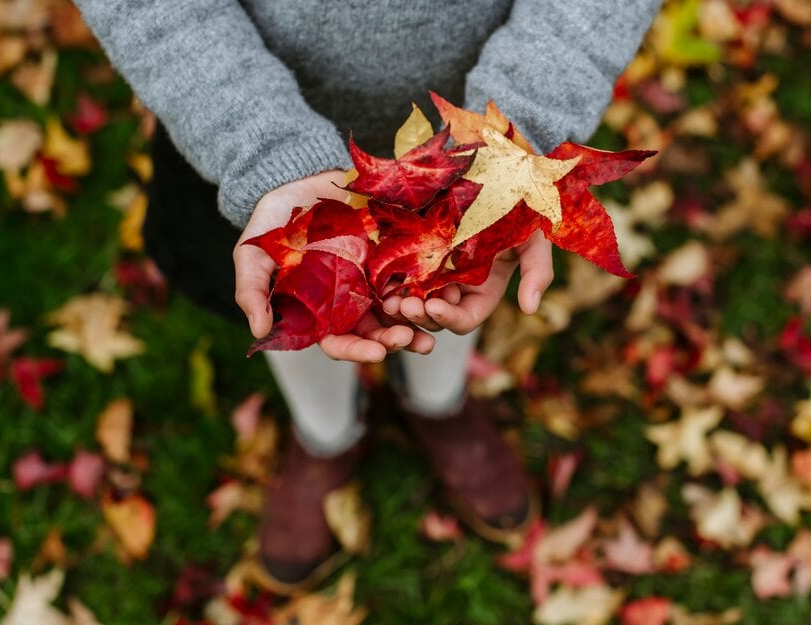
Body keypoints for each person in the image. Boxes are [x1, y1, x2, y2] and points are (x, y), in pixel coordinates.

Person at [73, 0, 660, 593]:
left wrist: (512, 131)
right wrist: (263, 149)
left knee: (457, 275)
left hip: (477, 117)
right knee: (291, 292)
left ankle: (438, 402)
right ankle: (326, 434)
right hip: (239, 115)